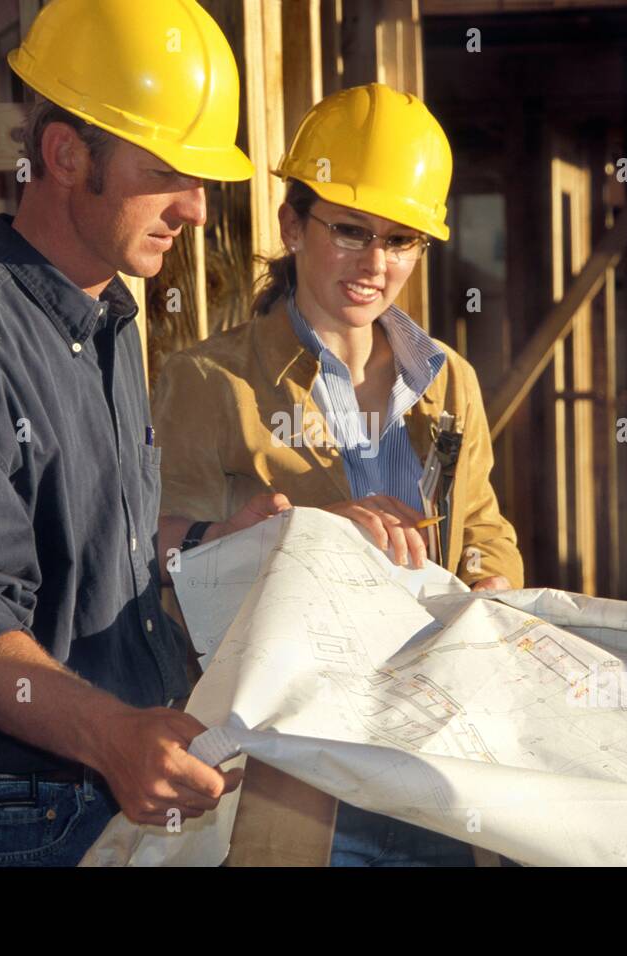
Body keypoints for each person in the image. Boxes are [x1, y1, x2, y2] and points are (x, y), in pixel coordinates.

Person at [0, 0, 286, 867]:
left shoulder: (109, 322)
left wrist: (214, 546)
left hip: (104, 794)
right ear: (67, 155)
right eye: (170, 171)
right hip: (17, 816)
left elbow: (86, 549)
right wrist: (112, 733)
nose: (195, 208)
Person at [151, 83, 525, 866]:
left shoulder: (448, 381)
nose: (376, 264)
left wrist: (489, 588)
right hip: (292, 780)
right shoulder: (208, 383)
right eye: (351, 231)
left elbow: (484, 527)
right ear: (292, 225)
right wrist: (312, 540)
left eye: (402, 240)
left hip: (435, 766)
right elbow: (163, 563)